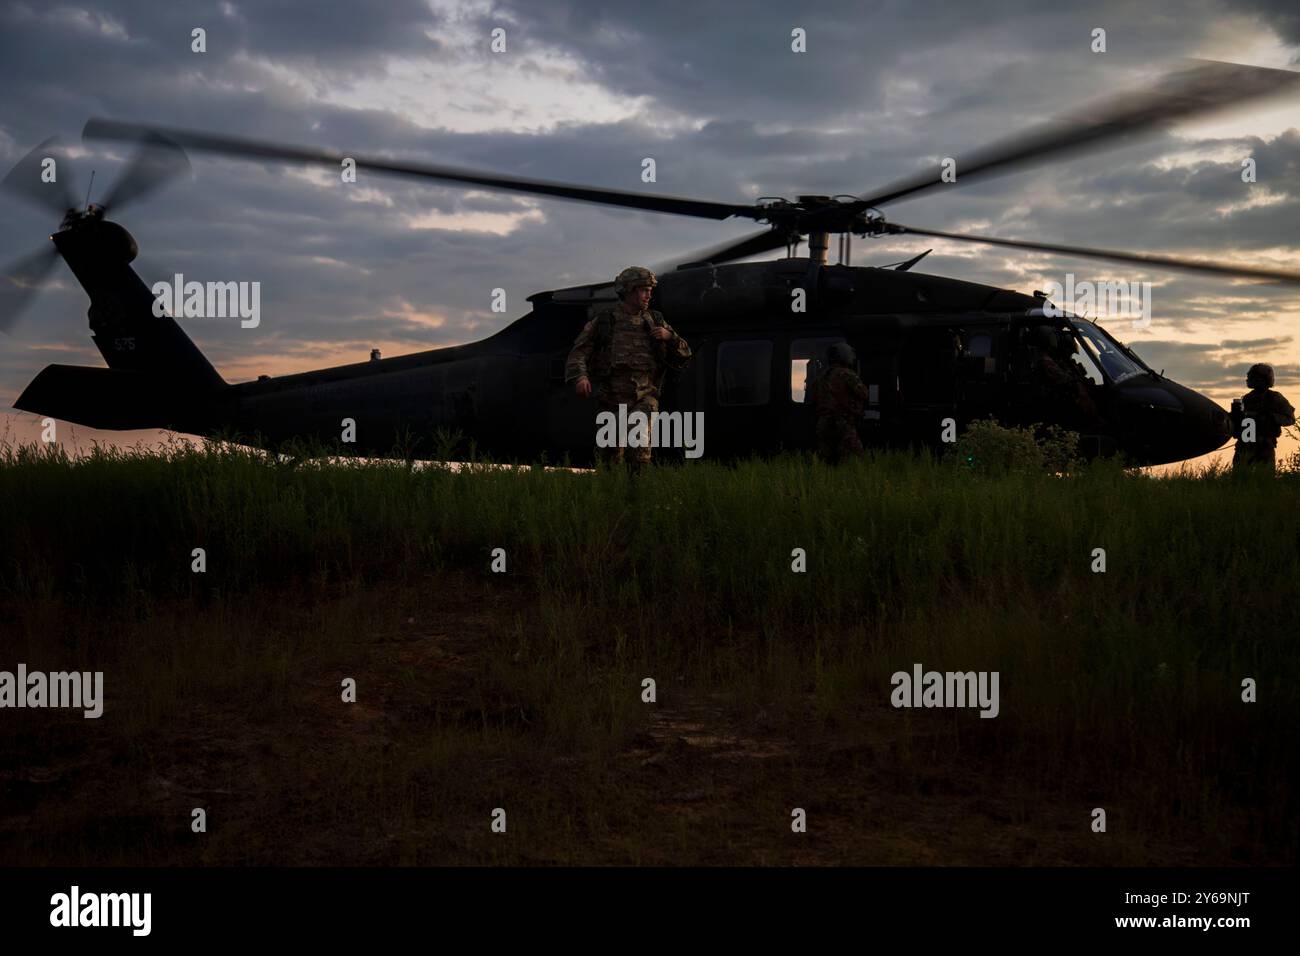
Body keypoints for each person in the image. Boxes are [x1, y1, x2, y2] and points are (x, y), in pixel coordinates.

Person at [565, 266, 691, 469]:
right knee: (609, 460)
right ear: (629, 290)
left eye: (650, 290)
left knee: (638, 454)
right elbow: (579, 352)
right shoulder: (605, 321)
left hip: (644, 397)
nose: (648, 295)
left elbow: (685, 352)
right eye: (643, 290)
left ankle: (638, 495)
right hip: (610, 398)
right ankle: (613, 498)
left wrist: (670, 337)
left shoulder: (655, 321)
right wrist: (580, 377)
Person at [807, 342, 871, 464]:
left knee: (827, 462)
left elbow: (814, 399)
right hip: (843, 423)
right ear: (845, 356)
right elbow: (864, 393)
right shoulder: (847, 374)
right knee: (855, 461)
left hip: (823, 424)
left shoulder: (820, 377)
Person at [1231, 363, 1295, 474]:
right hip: (1245, 445)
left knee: (1265, 479)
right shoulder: (1247, 398)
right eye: (1253, 378)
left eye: (1257, 378)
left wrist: (1271, 417)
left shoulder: (1275, 398)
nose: (1254, 381)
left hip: (1264, 445)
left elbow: (1289, 418)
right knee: (1240, 478)